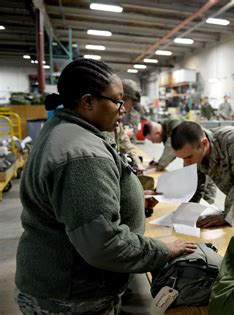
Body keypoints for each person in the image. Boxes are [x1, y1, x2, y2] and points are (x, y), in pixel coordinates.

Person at [15, 58, 196, 314]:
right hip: (72, 296)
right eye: (117, 101)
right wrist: (162, 250)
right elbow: (104, 244)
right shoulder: (80, 155)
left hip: (66, 285)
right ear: (88, 101)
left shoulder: (67, 130)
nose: (123, 109)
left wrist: (125, 194)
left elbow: (79, 204)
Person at [103, 79, 144, 172]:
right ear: (122, 98)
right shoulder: (104, 121)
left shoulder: (116, 120)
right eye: (132, 104)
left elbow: (125, 142)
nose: (127, 110)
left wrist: (137, 162)